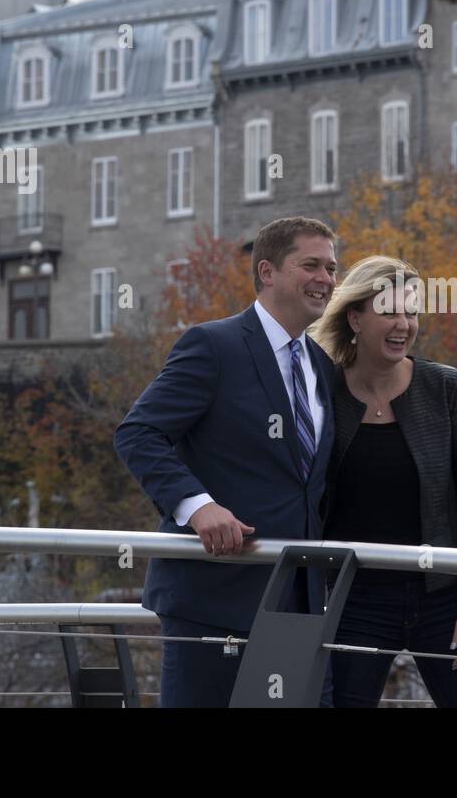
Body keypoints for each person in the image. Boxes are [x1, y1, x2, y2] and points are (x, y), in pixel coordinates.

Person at [114, 216, 339, 707]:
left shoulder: (321, 366)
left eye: (332, 267)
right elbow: (139, 432)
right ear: (268, 271)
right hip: (212, 601)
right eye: (311, 265)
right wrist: (196, 507)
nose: (326, 278)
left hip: (297, 608)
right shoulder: (213, 346)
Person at [313, 256, 457, 707]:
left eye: (411, 312)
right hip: (353, 603)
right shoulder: (321, 391)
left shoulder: (444, 386)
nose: (404, 324)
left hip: (443, 601)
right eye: (390, 312)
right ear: (355, 318)